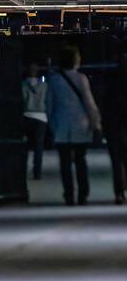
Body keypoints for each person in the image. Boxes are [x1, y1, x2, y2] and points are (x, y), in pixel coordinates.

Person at [45, 45, 102, 206]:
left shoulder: (54, 81)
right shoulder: (82, 79)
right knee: (80, 160)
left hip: (61, 126)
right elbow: (89, 103)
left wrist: (52, 125)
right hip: (80, 125)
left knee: (64, 163)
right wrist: (95, 123)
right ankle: (83, 194)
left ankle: (68, 194)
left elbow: (49, 105)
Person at [99, 53, 127, 205]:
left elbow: (106, 107)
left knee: (116, 162)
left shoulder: (111, 84)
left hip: (114, 128)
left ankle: (119, 193)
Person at [21, 62, 47, 180]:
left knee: (25, 146)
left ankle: (22, 170)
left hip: (26, 115)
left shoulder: (22, 85)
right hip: (41, 117)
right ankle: (37, 172)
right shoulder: (44, 86)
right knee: (38, 147)